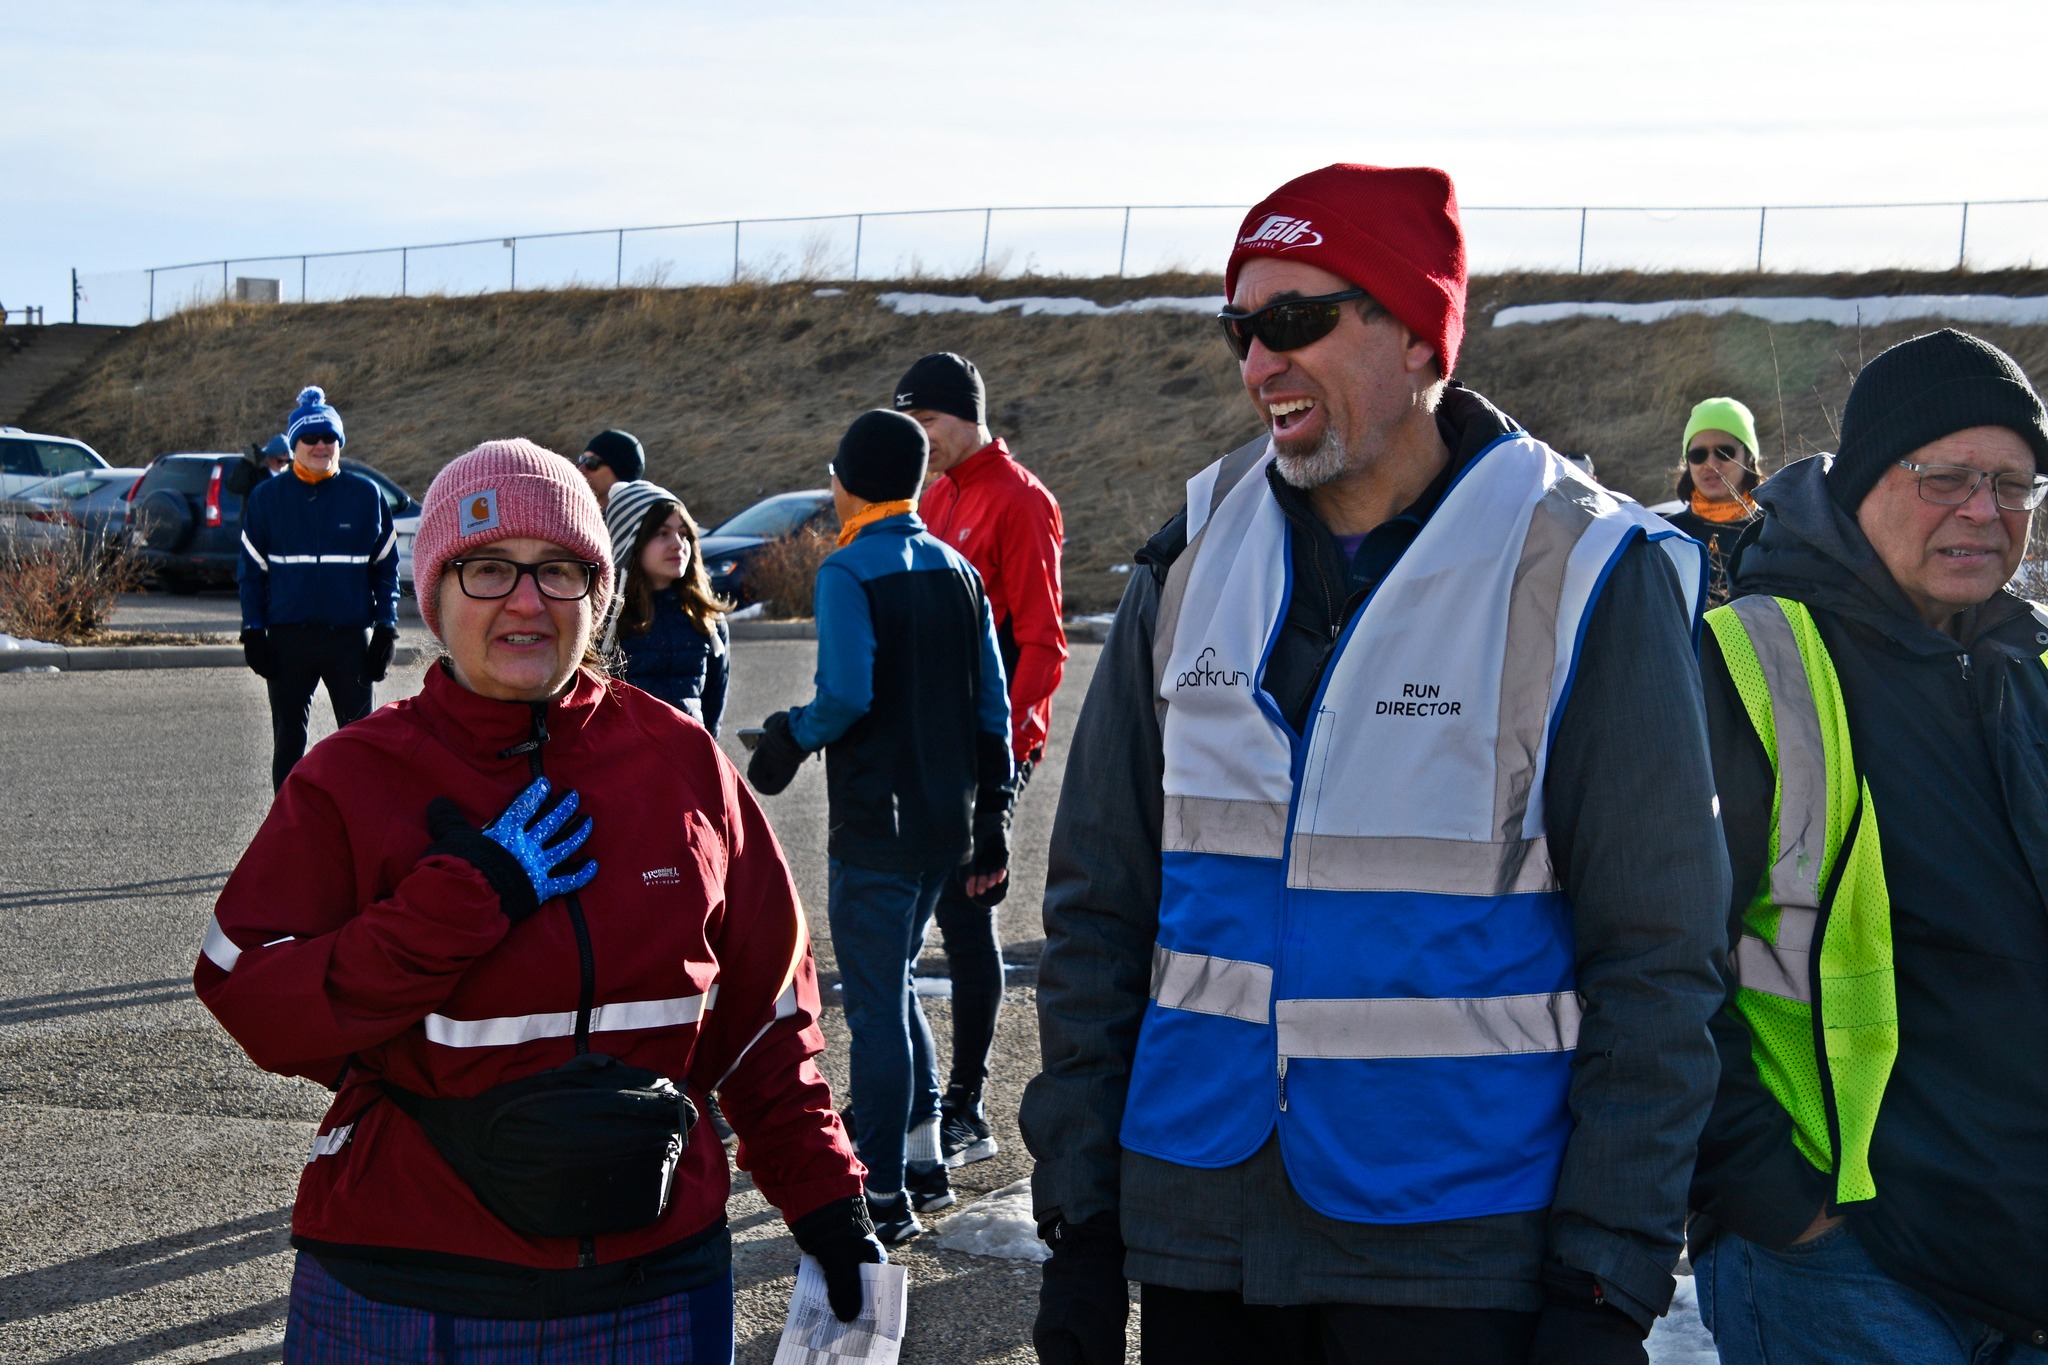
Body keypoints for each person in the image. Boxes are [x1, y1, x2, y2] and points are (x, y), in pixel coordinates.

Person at [1022, 163, 1727, 1365]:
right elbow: (1098, 913)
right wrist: (1081, 1227)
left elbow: (1658, 957)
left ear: (1415, 336)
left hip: (1457, 1242)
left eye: (1296, 320)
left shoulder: (1580, 565)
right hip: (1202, 1222)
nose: (1258, 363)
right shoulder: (1185, 560)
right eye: (1241, 329)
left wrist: (1604, 1280)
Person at [196, 438, 881, 1363]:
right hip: (409, 1278)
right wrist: (464, 900)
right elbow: (251, 993)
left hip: (656, 1279)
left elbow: (768, 1017)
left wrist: (829, 1203)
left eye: (559, 570)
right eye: (487, 569)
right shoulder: (356, 774)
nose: (525, 601)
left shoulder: (680, 762)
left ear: (599, 597)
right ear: (434, 598)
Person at [1689, 329, 2048, 1363]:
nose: (1982, 512)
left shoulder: (2025, 665)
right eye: (1944, 478)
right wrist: (1768, 1198)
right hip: (1844, 1274)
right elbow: (1655, 955)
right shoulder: (1747, 660)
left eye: (2013, 486)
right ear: (1858, 484)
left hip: (2014, 1260)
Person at [745, 409, 1014, 1247]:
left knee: (873, 1004)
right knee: (894, 986)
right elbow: (993, 709)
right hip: (946, 823)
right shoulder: (959, 569)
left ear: (848, 480)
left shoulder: (848, 569)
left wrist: (788, 733)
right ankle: (925, 1162)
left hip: (878, 823)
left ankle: (885, 1193)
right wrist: (994, 817)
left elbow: (847, 696)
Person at [893, 350, 1067, 1168]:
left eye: (927, 421)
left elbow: (1042, 641)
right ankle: (917, 1085)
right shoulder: (930, 496)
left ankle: (968, 1105)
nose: (919, 437)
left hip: (986, 747)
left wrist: (1007, 771)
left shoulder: (1022, 500)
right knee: (906, 903)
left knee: (966, 915)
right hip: (926, 742)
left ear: (967, 413)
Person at [238, 387, 400, 791]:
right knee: (288, 742)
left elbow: (386, 567)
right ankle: (289, 835)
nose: (320, 445)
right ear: (294, 444)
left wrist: (386, 627)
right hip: (289, 640)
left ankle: (361, 830)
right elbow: (251, 572)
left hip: (348, 640)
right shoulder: (266, 498)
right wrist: (253, 631)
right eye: (310, 438)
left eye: (329, 438)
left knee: (362, 743)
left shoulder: (365, 496)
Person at [599, 480, 731, 733]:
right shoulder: (602, 621)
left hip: (689, 763)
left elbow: (714, 704)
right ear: (630, 541)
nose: (678, 544)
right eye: (662, 533)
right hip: (622, 766)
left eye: (684, 534)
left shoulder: (706, 618)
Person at [1662, 397, 1764, 607]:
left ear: (1749, 458)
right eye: (1698, 455)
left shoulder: (1774, 531)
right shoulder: (1665, 535)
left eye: (1724, 452)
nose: (1711, 464)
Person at [578, 428, 645, 508]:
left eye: (591, 463)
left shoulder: (637, 519)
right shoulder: (569, 514)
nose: (580, 469)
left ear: (620, 474)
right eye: (582, 459)